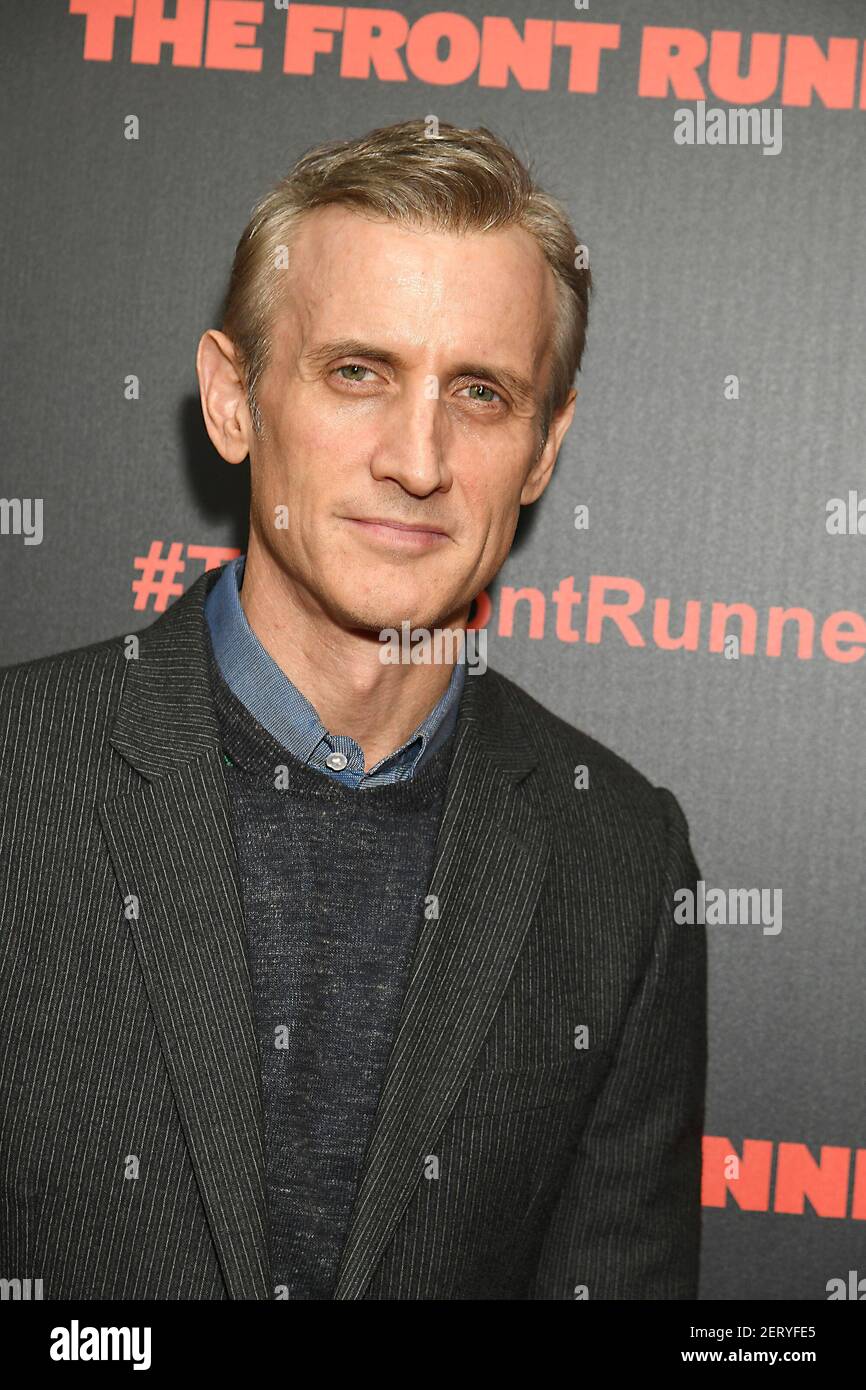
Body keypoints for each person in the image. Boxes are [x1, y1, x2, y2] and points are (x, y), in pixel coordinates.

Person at [0, 118, 707, 1300]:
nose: (417, 459)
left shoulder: (619, 861)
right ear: (234, 400)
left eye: (480, 392)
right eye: (357, 372)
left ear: (542, 449)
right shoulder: (21, 778)